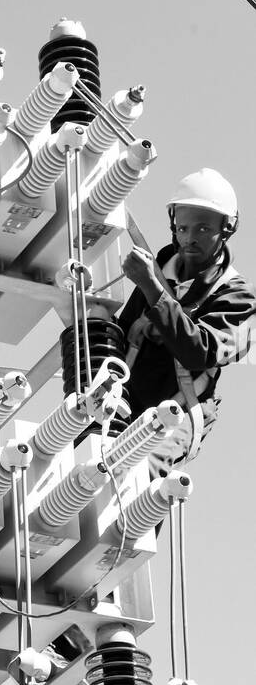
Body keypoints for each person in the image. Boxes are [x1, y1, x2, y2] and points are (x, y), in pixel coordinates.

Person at [117, 168, 256, 469]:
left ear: (228, 228)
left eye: (203, 229)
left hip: (179, 408)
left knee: (140, 478)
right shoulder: (159, 269)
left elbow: (199, 352)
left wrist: (153, 288)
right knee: (78, 461)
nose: (190, 238)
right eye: (183, 228)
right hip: (129, 395)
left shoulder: (238, 297)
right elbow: (124, 333)